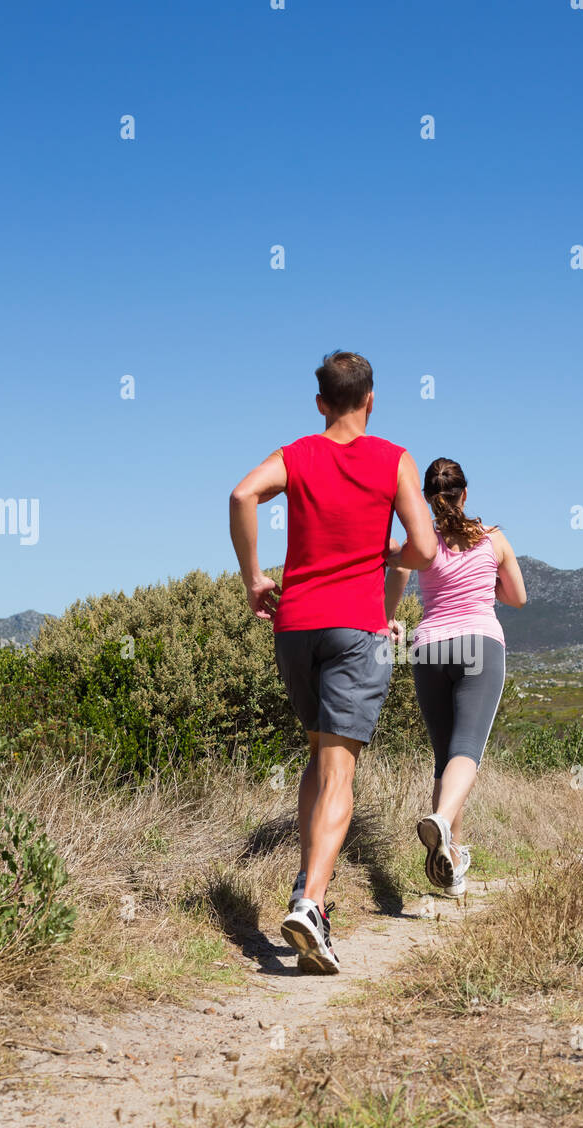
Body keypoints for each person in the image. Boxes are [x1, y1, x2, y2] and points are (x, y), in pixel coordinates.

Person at [229, 351, 437, 974]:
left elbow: (242, 494)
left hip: (296, 626)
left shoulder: (297, 454)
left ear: (320, 402)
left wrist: (254, 579)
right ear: (371, 399)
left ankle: (303, 883)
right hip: (358, 628)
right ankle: (312, 904)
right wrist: (383, 548)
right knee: (340, 770)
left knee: (319, 756)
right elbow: (424, 550)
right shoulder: (393, 458)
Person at [384, 457, 527, 897]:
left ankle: (451, 863)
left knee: (445, 759)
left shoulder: (420, 541)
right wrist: (488, 586)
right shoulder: (493, 538)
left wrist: (386, 618)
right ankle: (443, 823)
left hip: (428, 648)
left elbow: (398, 569)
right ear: (465, 494)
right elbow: (517, 597)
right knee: (467, 751)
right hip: (479, 644)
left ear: (428, 499)